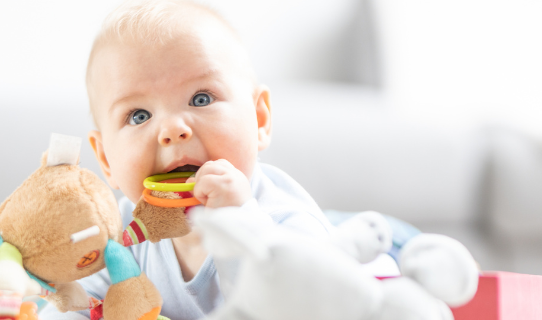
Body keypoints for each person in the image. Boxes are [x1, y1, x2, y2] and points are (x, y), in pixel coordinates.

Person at [40, 1, 332, 319]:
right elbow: (76, 302)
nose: (172, 129)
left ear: (259, 120)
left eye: (201, 98)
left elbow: (307, 304)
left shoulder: (287, 219)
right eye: (139, 116)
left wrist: (241, 225)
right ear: (106, 160)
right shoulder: (123, 234)